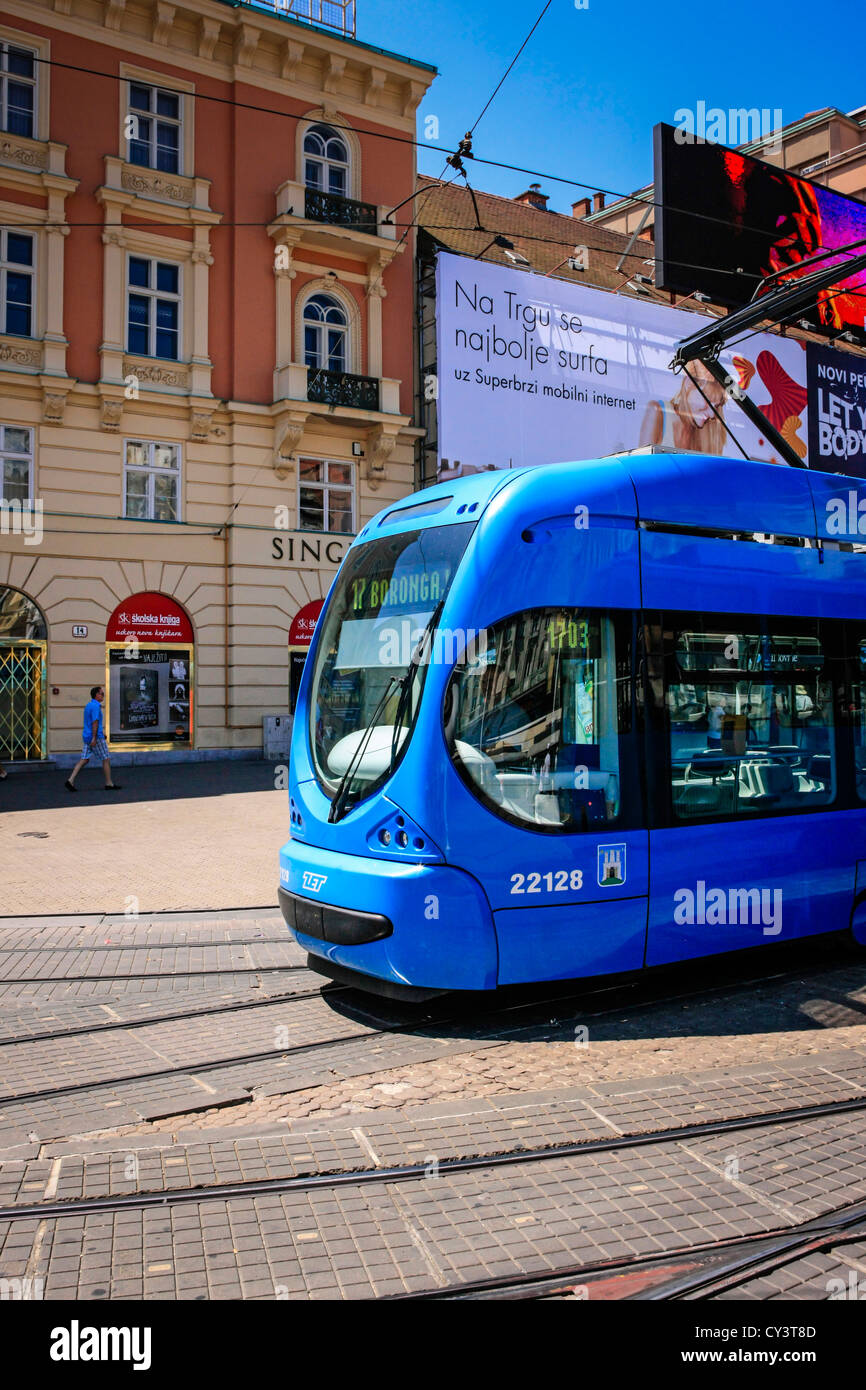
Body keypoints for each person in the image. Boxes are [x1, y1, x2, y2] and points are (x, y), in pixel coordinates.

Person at [65, 685, 122, 791]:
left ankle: (70, 780)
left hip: (87, 736)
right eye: (102, 694)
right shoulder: (96, 707)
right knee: (106, 758)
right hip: (95, 738)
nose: (103, 696)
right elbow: (95, 722)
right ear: (96, 695)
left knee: (84, 759)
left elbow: (92, 722)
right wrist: (95, 737)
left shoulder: (88, 705)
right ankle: (109, 783)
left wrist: (99, 734)